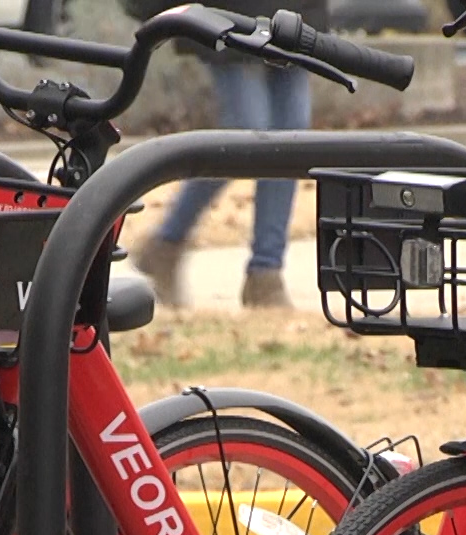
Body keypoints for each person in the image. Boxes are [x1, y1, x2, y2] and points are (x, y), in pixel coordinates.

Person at [128, 0, 328, 310]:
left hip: (298, 15)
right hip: (229, 15)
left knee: (292, 142)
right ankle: (167, 242)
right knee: (247, 135)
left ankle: (266, 274)